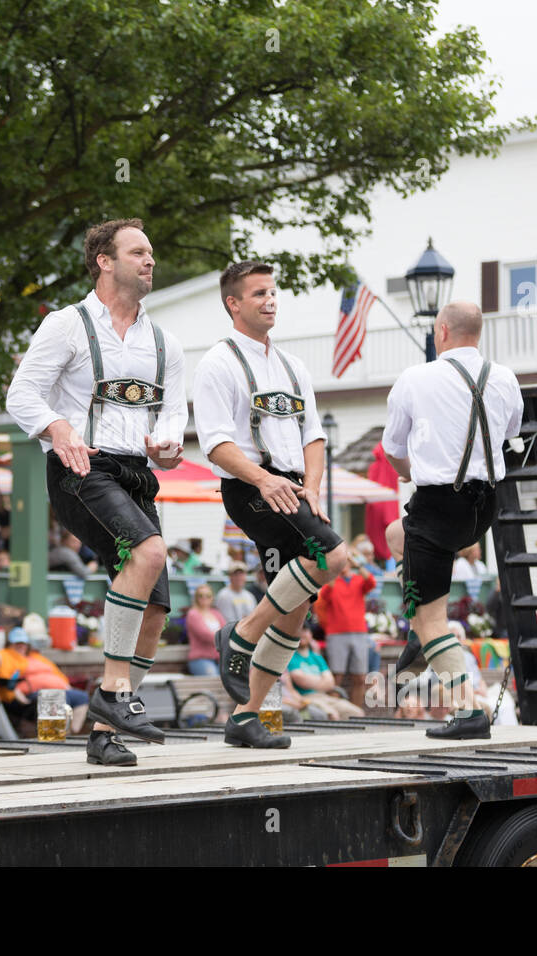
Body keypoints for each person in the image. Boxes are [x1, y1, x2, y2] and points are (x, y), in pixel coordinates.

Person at [5, 217, 186, 767]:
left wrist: (170, 441)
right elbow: (21, 394)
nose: (149, 260)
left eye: (151, 251)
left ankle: (104, 735)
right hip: (80, 468)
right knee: (149, 552)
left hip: (136, 473)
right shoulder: (67, 324)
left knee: (155, 610)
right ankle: (113, 692)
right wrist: (58, 429)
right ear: (104, 261)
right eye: (137, 251)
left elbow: (174, 411)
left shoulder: (164, 341)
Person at [192, 260, 350, 749]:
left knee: (295, 611)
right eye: (258, 293)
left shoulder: (292, 366)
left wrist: (313, 486)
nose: (270, 300)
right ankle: (238, 635)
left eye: (273, 292)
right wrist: (264, 481)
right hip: (251, 489)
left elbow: (315, 435)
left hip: (295, 489)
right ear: (232, 303)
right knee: (334, 555)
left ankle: (244, 717)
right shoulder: (217, 363)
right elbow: (214, 442)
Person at [382, 300, 524, 740]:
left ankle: (467, 712)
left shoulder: (416, 378)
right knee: (394, 534)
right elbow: (510, 433)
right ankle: (418, 628)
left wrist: (412, 473)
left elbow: (392, 448)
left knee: (433, 618)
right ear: (478, 333)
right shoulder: (504, 377)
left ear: (440, 330)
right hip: (484, 508)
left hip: (439, 503)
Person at [0, 616, 89, 734]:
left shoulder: (36, 657)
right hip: (28, 695)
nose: (21, 646)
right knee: (59, 697)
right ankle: (57, 734)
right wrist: (14, 693)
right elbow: (3, 679)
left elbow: (56, 673)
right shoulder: (5, 656)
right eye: (17, 643)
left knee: (81, 697)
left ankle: (71, 732)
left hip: (55, 689)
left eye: (23, 643)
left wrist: (65, 685)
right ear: (9, 643)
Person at [314, 546, 378, 712]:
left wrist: (356, 563)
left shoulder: (358, 580)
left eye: (345, 563)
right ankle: (334, 709)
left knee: (359, 676)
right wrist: (334, 570)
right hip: (336, 633)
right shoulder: (332, 582)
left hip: (359, 632)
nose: (345, 565)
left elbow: (371, 582)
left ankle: (355, 711)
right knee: (337, 675)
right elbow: (326, 594)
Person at [283, 620, 363, 720]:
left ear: (311, 634)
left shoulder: (317, 657)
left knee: (357, 713)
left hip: (325, 696)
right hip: (306, 698)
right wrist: (322, 681)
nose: (302, 634)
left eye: (305, 630)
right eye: (298, 631)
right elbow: (300, 679)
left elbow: (331, 682)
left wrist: (317, 682)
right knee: (332, 715)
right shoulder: (291, 657)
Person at [183, 584, 225, 676]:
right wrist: (224, 638)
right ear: (196, 598)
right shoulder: (193, 614)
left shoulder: (216, 613)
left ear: (212, 598)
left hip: (219, 658)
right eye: (200, 595)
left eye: (208, 595)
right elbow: (205, 635)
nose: (204, 598)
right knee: (213, 679)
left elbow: (226, 630)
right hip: (200, 659)